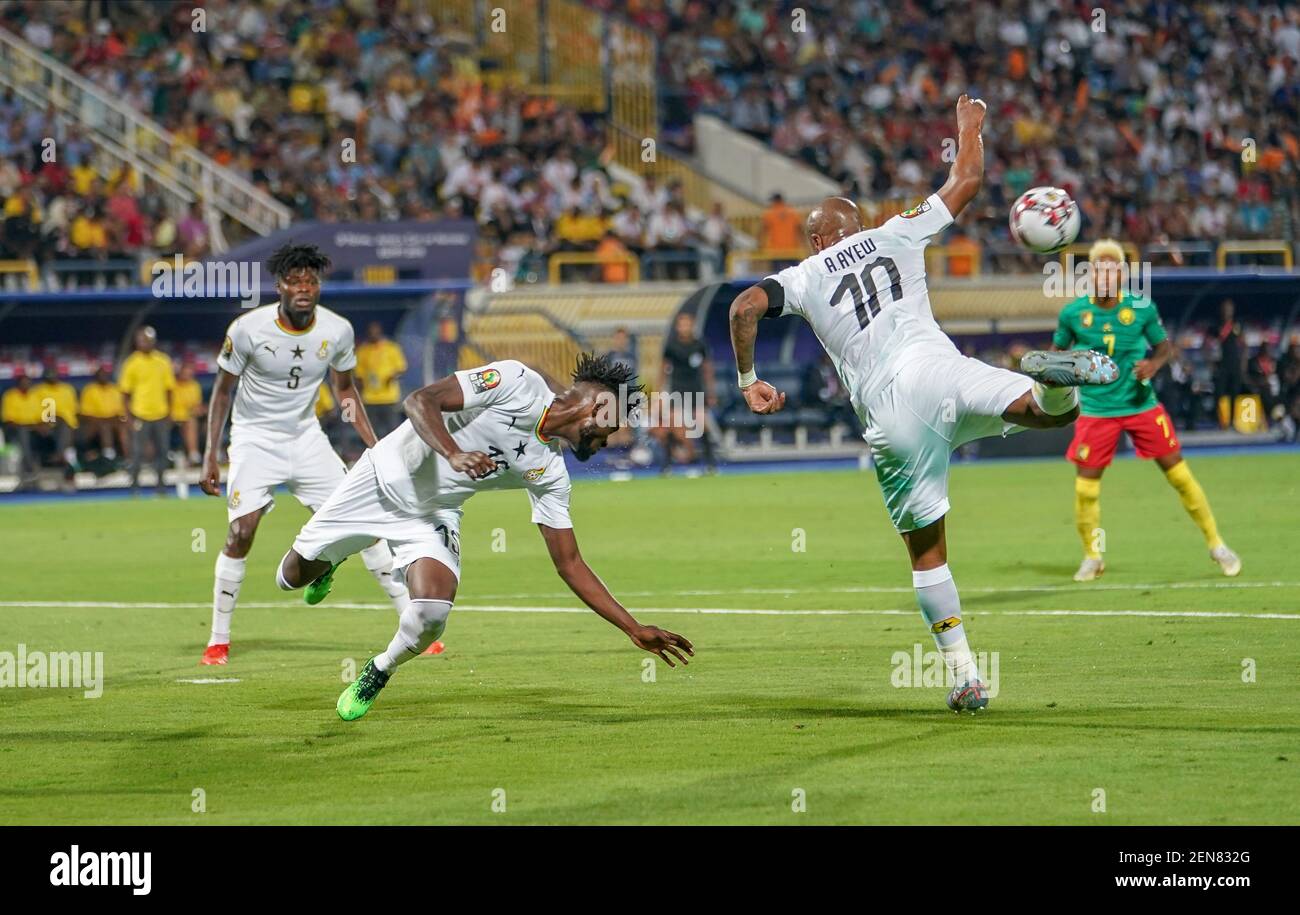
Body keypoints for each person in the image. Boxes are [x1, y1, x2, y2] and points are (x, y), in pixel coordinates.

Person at [727, 96, 1118, 713]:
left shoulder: (802, 275)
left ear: (818, 239)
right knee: (1054, 412)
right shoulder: (897, 231)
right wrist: (969, 126)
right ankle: (1053, 377)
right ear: (859, 227)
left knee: (927, 551)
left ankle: (966, 677)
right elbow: (967, 179)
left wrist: (749, 379)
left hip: (891, 411)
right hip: (942, 370)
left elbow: (743, 307)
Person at [275, 353, 694, 721]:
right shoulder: (515, 381)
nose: (607, 441)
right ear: (597, 408)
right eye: (610, 428)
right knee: (289, 578)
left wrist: (632, 628)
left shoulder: (550, 473)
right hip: (379, 478)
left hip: (431, 515)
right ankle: (333, 559)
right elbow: (420, 401)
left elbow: (569, 564)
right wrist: (453, 453)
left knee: (432, 615)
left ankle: (379, 670)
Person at [198, 244, 411, 666]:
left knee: (365, 523)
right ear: (279, 286)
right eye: (294, 281)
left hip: (306, 438)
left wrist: (374, 446)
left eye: (311, 281)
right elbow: (222, 392)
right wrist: (209, 454)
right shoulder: (247, 329)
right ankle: (218, 640)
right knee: (241, 531)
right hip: (254, 440)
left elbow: (344, 390)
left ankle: (411, 620)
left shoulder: (337, 330)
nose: (303, 288)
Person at [1053, 239, 1241, 581]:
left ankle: (1217, 546)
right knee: (1085, 489)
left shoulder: (1141, 308)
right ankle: (1093, 557)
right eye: (1099, 269)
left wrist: (1154, 365)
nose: (1105, 275)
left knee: (1180, 476)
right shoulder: (1073, 314)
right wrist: (1062, 368)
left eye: (1112, 269)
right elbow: (1056, 354)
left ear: (1121, 275)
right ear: (1091, 274)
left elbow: (1164, 347)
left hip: (1140, 405)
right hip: (1096, 409)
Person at [656, 311, 717, 474]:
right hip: (677, 389)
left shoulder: (699, 345)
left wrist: (711, 392)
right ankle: (667, 465)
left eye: (687, 324)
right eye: (681, 324)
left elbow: (707, 369)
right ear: (677, 327)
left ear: (692, 326)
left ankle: (711, 464)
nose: (684, 327)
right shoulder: (671, 346)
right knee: (672, 425)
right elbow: (663, 369)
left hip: (696, 389)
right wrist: (659, 393)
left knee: (702, 425)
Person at [119, 326, 175, 494]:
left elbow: (169, 390)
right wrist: (128, 417)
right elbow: (125, 393)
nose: (146, 343)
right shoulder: (131, 363)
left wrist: (170, 412)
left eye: (149, 340)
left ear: (154, 341)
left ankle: (161, 487)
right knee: (137, 453)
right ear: (137, 342)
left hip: (161, 414)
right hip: (140, 414)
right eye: (143, 340)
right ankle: (135, 487)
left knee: (163, 452)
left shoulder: (163, 361)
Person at [355, 321, 407, 439]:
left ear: (380, 332)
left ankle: (394, 448)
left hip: (389, 397)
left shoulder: (391, 348)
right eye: (371, 332)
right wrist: (359, 392)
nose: (373, 334)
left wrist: (392, 377)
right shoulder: (363, 350)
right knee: (372, 431)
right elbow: (358, 374)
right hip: (370, 398)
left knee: (392, 429)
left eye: (375, 332)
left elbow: (401, 367)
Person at [30, 364, 80, 489]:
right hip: (46, 426)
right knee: (60, 424)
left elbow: (74, 411)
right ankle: (65, 460)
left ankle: (60, 457)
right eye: (49, 374)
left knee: (65, 425)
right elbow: (35, 411)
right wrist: (42, 422)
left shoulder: (67, 389)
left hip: (69, 426)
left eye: (54, 374)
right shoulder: (38, 391)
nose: (52, 376)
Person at [79, 362, 128, 466]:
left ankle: (128, 458)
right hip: (95, 422)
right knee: (105, 426)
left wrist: (117, 419)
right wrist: (104, 420)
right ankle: (109, 457)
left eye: (105, 375)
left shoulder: (115, 389)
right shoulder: (89, 390)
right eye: (100, 375)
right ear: (96, 377)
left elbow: (121, 412)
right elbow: (86, 413)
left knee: (124, 427)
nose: (103, 377)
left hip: (114, 420)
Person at [1, 371, 41, 488]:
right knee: (23, 433)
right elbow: (8, 419)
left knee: (49, 431)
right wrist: (25, 426)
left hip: (34, 428)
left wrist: (42, 425)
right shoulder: (10, 396)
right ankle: (29, 470)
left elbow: (45, 415)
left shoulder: (37, 395)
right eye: (23, 383)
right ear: (18, 384)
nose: (26, 385)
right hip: (16, 429)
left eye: (28, 383)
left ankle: (59, 464)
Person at [171, 363, 205, 467]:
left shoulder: (194, 385)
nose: (187, 376)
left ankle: (194, 455)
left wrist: (199, 409)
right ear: (180, 373)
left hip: (189, 416)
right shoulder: (172, 385)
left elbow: (197, 404)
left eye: (190, 374)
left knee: (192, 421)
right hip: (172, 416)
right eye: (185, 373)